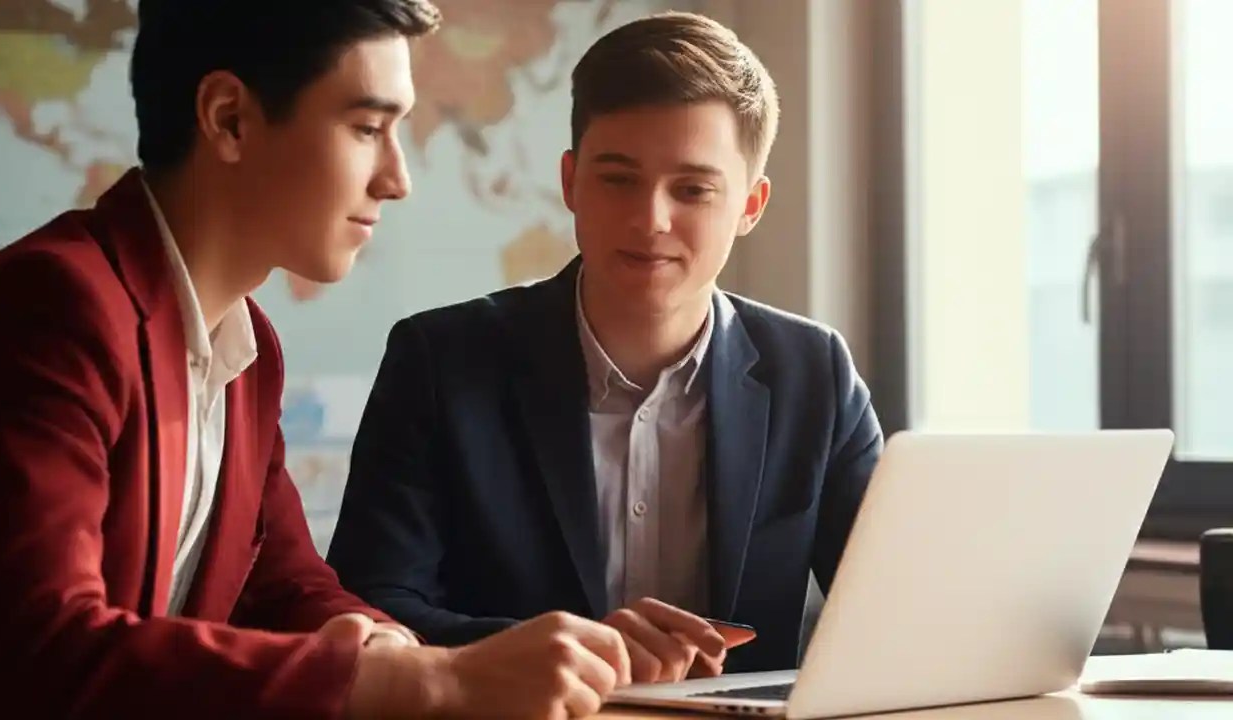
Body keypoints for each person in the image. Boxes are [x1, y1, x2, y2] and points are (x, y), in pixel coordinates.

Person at [0, 1, 630, 718]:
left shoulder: (247, 347)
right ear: (229, 119)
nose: (397, 178)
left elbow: (281, 585)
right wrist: (436, 685)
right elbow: (38, 651)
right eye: (368, 128)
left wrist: (396, 649)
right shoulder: (54, 306)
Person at [328, 10, 883, 680]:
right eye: (618, 178)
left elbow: (898, 605)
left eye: (693, 190)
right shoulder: (441, 361)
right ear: (570, 184)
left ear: (750, 206)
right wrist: (577, 652)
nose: (650, 219)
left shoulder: (814, 375)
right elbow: (372, 607)